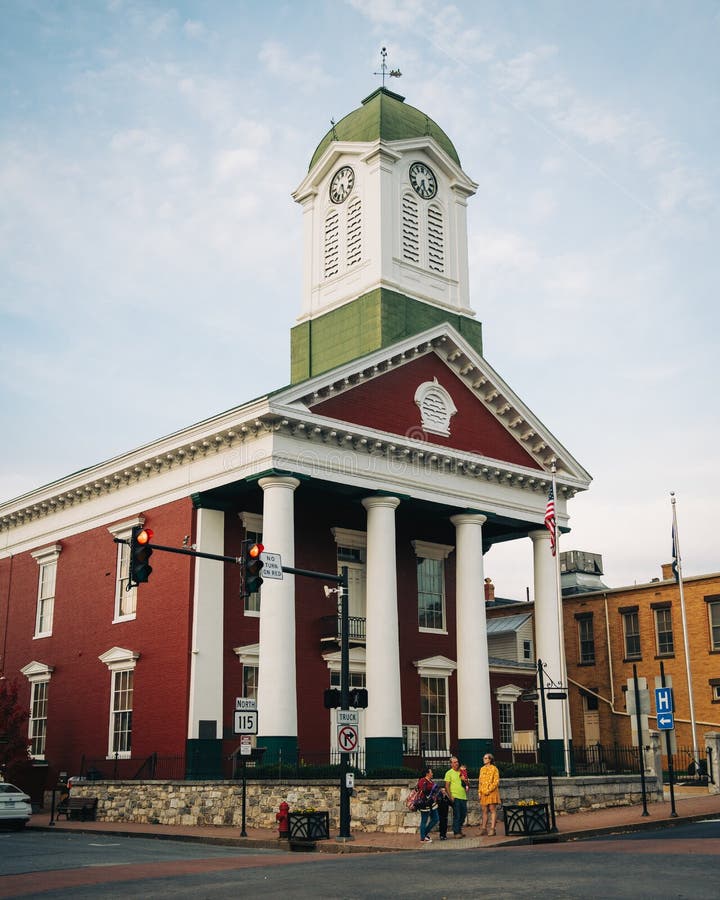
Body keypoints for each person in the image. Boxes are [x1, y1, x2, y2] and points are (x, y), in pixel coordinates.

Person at [444, 756, 468, 838]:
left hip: (463, 796)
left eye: (457, 762)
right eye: (454, 762)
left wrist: (465, 780)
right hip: (455, 796)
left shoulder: (462, 772)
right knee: (457, 815)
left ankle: (459, 829)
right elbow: (447, 786)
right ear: (451, 764)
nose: (456, 763)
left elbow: (468, 784)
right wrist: (450, 796)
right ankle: (456, 832)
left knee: (463, 814)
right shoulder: (449, 773)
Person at [416, 765, 440, 843]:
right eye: (431, 772)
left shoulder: (430, 781)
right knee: (424, 820)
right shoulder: (422, 780)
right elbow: (423, 790)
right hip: (424, 803)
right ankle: (422, 838)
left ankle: (424, 833)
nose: (432, 773)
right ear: (427, 773)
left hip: (432, 803)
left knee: (436, 818)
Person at [478, 752, 501, 836]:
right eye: (484, 758)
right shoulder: (482, 769)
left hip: (491, 792)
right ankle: (484, 828)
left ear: (490, 759)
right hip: (483, 793)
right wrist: (479, 792)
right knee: (484, 810)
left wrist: (489, 790)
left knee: (492, 810)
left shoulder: (494, 769)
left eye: (486, 758)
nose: (484, 759)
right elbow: (480, 781)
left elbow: (496, 782)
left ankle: (492, 829)